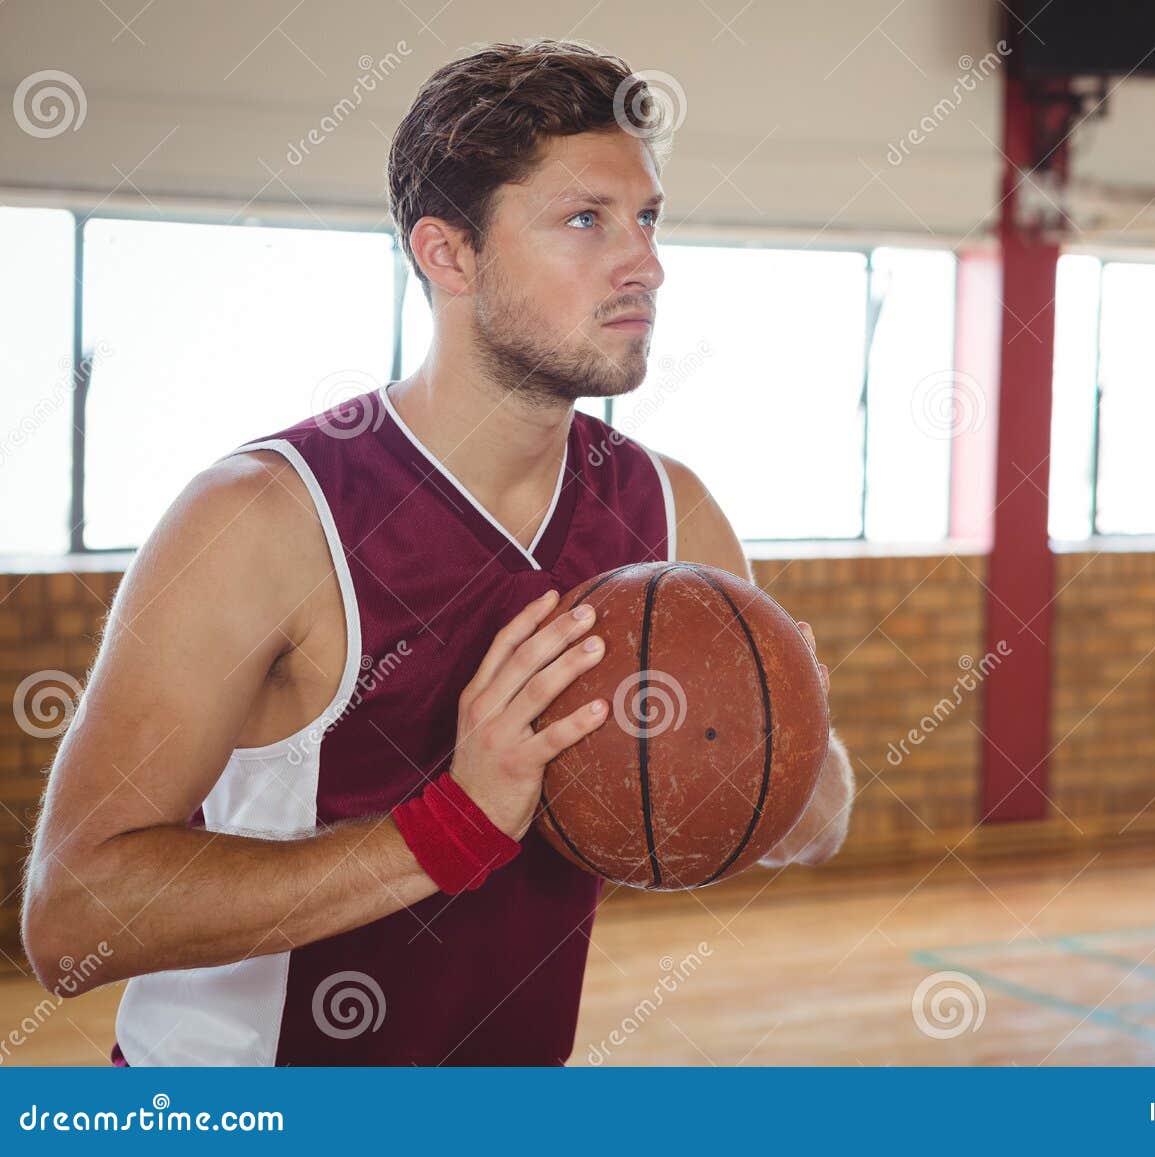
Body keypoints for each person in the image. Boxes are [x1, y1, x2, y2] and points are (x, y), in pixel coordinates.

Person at [21, 39, 854, 1066]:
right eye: (584, 220)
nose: (645, 261)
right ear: (446, 254)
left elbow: (813, 820)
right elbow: (71, 917)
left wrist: (792, 737)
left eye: (647, 218)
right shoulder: (265, 518)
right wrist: (449, 825)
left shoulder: (672, 514)